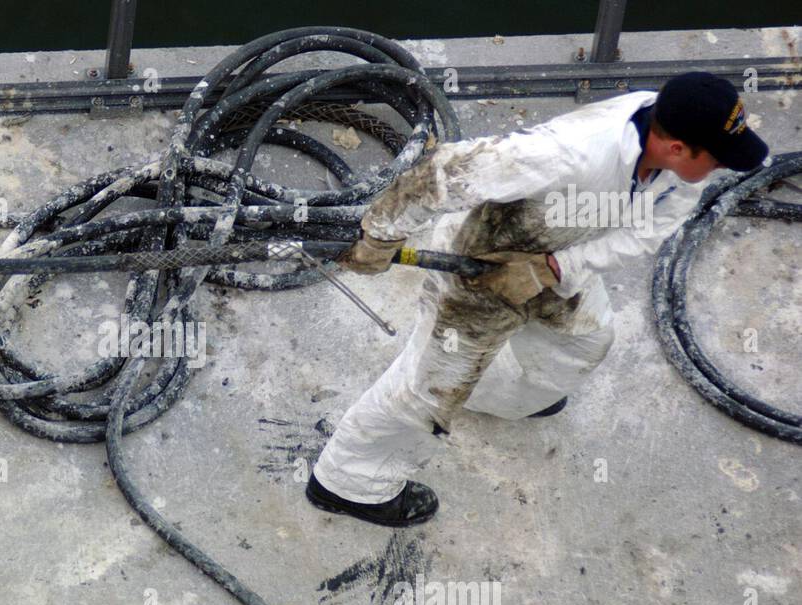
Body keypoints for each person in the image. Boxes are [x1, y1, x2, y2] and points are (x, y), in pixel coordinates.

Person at [306, 72, 769, 528]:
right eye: (718, 159)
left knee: (585, 341)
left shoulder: (678, 151)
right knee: (428, 392)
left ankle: (502, 397)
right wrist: (380, 234)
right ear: (676, 148)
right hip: (476, 264)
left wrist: (554, 269)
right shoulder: (571, 151)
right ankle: (348, 483)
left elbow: (648, 232)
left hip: (560, 256)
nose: (723, 167)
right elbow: (444, 173)